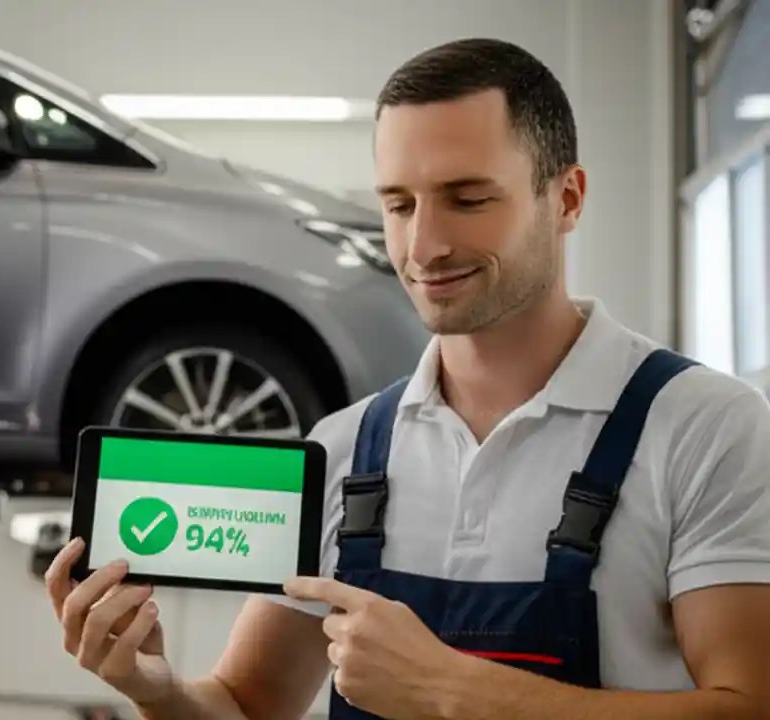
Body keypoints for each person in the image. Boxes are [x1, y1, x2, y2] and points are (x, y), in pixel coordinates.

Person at [44, 38, 770, 719]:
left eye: (468, 198)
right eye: (398, 204)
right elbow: (244, 705)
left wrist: (453, 691)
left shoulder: (706, 427)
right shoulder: (344, 449)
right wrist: (155, 687)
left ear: (568, 199)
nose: (423, 245)